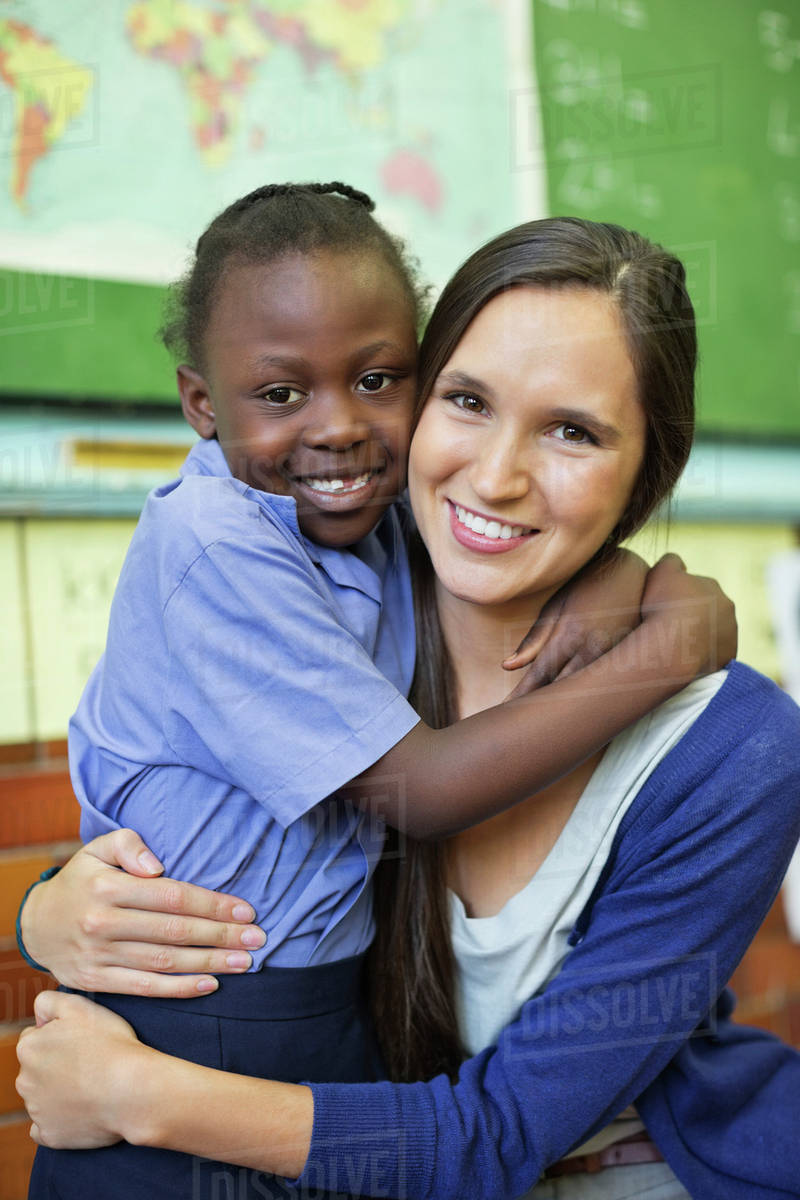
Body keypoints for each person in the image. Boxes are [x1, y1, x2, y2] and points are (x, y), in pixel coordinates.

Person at [18, 217, 800, 1199]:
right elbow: (196, 808)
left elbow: (494, 1138)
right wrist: (46, 909)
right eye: (467, 401)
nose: (495, 475)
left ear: (648, 465)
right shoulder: (346, 612)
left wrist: (138, 1094)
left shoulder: (738, 751)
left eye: (572, 431)